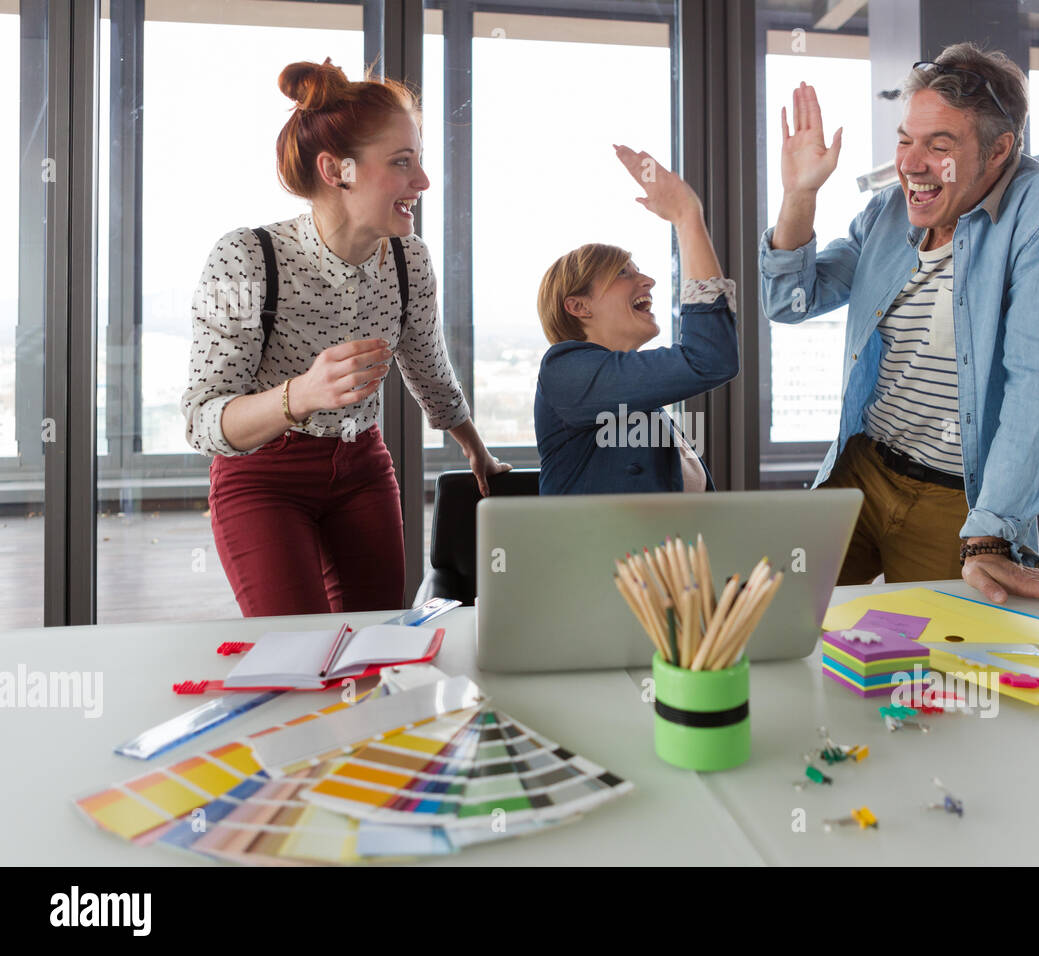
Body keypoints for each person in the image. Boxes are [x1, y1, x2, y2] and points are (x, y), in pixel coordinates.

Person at [760, 43, 1039, 610]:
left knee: (936, 671)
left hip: (958, 501)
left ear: (999, 150)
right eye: (905, 140)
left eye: (939, 146)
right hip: (863, 469)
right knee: (782, 617)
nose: (911, 164)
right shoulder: (888, 210)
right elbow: (790, 299)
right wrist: (800, 193)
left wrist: (990, 534)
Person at [182, 58, 508, 618]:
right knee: (298, 646)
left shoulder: (409, 260)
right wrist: (300, 395)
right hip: (264, 479)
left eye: (420, 161)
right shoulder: (246, 258)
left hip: (362, 469)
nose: (424, 182)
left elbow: (429, 369)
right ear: (339, 170)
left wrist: (477, 452)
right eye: (402, 163)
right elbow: (202, 421)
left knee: (376, 637)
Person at [533, 144, 739, 495]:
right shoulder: (565, 372)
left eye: (639, 271)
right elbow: (708, 357)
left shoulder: (648, 407)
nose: (647, 281)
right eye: (623, 273)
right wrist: (687, 218)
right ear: (579, 306)